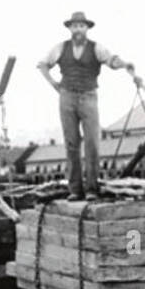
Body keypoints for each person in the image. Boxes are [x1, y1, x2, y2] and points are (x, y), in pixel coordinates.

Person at [37, 11, 133, 200]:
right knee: (71, 143)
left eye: (81, 26)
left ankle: (91, 189)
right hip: (67, 97)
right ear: (70, 29)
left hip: (89, 97)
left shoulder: (96, 48)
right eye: (74, 26)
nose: (78, 29)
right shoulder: (60, 48)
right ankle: (75, 190)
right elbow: (42, 64)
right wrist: (54, 84)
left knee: (92, 143)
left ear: (87, 28)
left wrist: (125, 64)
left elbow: (111, 60)